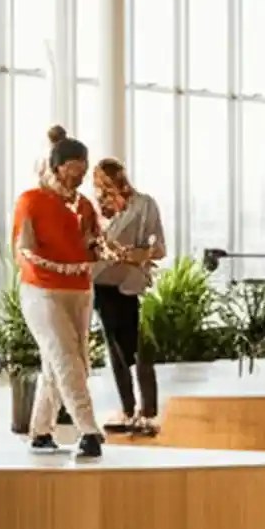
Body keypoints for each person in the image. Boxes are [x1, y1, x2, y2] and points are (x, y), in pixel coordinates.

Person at [13, 128, 105, 458]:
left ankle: (40, 432)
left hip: (79, 290)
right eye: (73, 168)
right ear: (56, 165)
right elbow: (23, 248)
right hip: (41, 291)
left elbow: (91, 244)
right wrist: (53, 265)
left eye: (83, 169)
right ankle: (89, 429)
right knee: (66, 358)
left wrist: (100, 248)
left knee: (63, 361)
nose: (78, 176)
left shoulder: (84, 206)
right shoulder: (31, 201)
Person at [92, 158, 165, 436]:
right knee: (115, 350)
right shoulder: (97, 211)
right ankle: (127, 408)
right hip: (101, 283)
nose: (103, 189)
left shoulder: (143, 205)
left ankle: (148, 411)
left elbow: (158, 247)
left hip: (130, 284)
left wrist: (136, 255)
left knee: (136, 348)